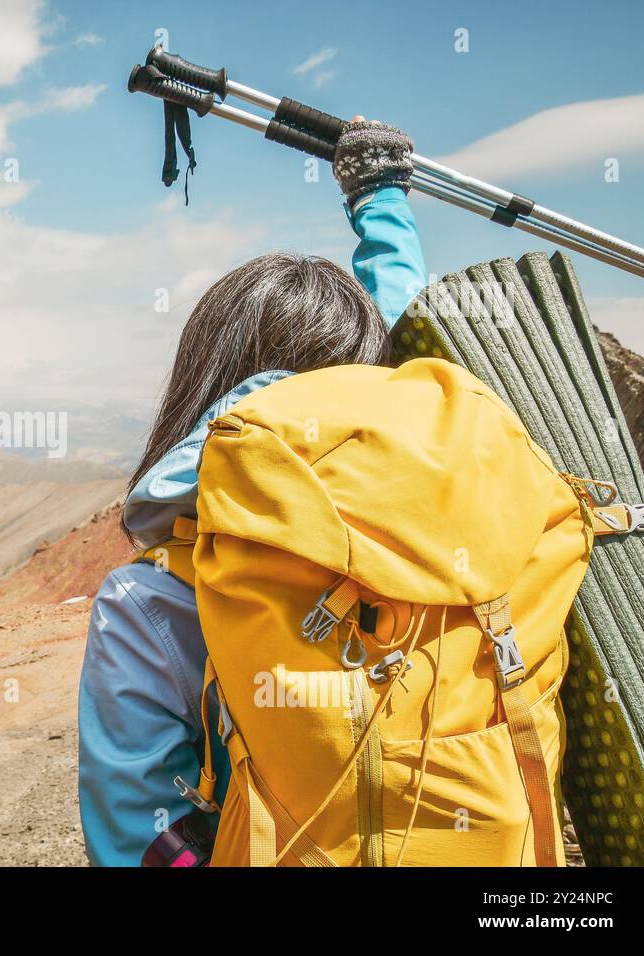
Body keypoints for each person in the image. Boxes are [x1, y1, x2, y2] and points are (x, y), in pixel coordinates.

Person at [78, 118, 429, 866]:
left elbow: (139, 844)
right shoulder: (432, 524)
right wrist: (382, 201)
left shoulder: (149, 603)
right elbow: (390, 352)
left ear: (203, 388)